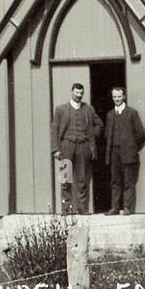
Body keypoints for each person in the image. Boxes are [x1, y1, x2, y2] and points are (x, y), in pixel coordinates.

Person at [50, 82, 102, 214]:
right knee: (65, 177)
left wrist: (90, 134)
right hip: (66, 146)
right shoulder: (61, 110)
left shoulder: (89, 109)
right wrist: (55, 149)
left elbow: (99, 125)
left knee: (82, 178)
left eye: (81, 93)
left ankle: (82, 209)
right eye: (77, 93)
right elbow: (54, 129)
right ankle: (65, 209)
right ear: (72, 92)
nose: (79, 95)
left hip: (83, 147)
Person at [104, 87, 145, 215]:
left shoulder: (132, 113)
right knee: (115, 181)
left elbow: (141, 135)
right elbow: (107, 135)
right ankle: (115, 207)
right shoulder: (110, 115)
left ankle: (127, 207)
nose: (116, 99)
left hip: (128, 153)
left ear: (124, 97)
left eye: (119, 96)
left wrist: (132, 148)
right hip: (114, 153)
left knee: (128, 181)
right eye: (114, 97)